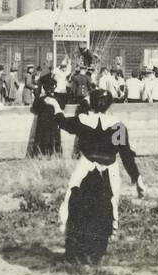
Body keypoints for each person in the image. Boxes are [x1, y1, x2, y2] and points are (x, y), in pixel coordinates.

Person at [54, 92, 145, 265]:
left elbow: (61, 122)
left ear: (92, 103)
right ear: (109, 104)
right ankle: (95, 254)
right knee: (106, 208)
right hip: (109, 172)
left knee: (76, 206)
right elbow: (126, 155)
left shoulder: (82, 120)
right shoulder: (118, 126)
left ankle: (75, 253)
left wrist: (55, 106)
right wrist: (137, 178)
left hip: (85, 169)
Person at [29, 73, 63, 157]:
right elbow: (63, 106)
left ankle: (40, 153)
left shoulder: (41, 99)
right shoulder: (57, 99)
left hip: (43, 122)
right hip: (54, 122)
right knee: (53, 136)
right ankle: (54, 153)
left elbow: (35, 108)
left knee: (42, 136)